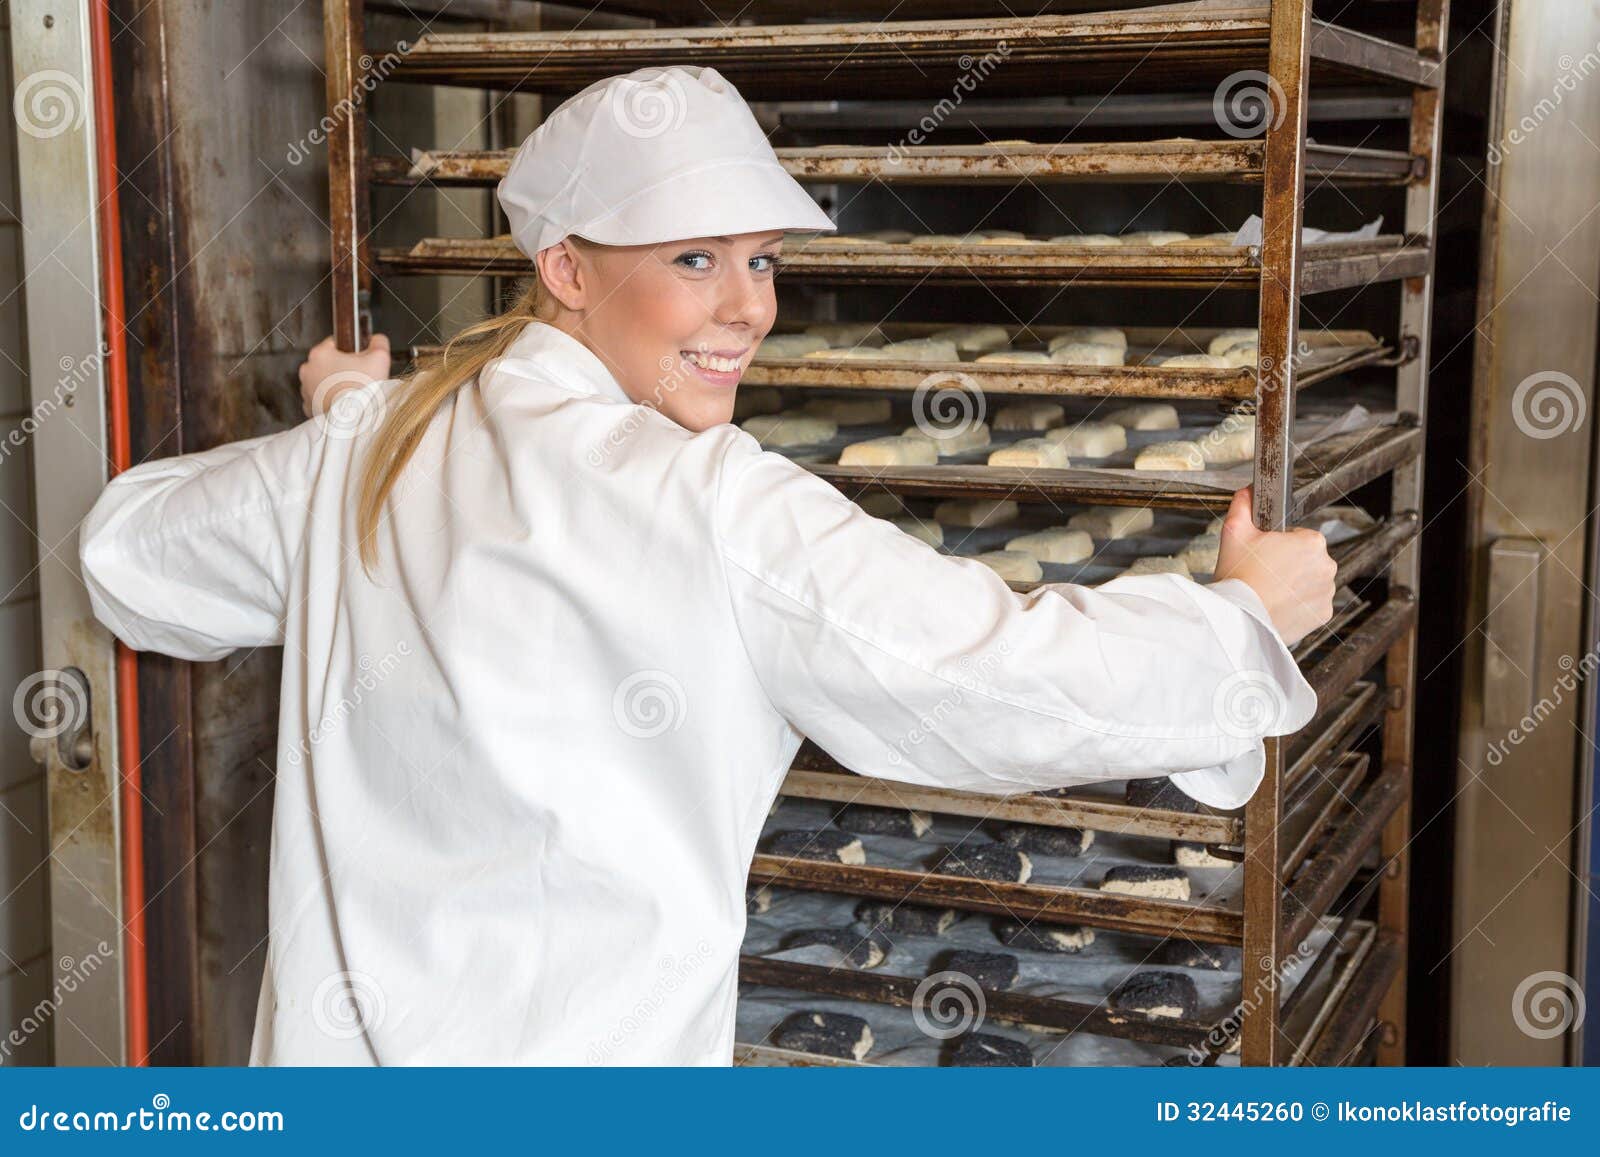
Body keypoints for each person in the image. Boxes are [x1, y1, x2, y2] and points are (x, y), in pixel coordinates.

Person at [79, 65, 1334, 1065]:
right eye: (693, 259)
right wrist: (1237, 620)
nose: (746, 307)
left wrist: (336, 424)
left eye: (763, 259)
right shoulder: (715, 505)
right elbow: (993, 682)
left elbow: (131, 556)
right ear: (565, 268)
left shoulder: (368, 457)